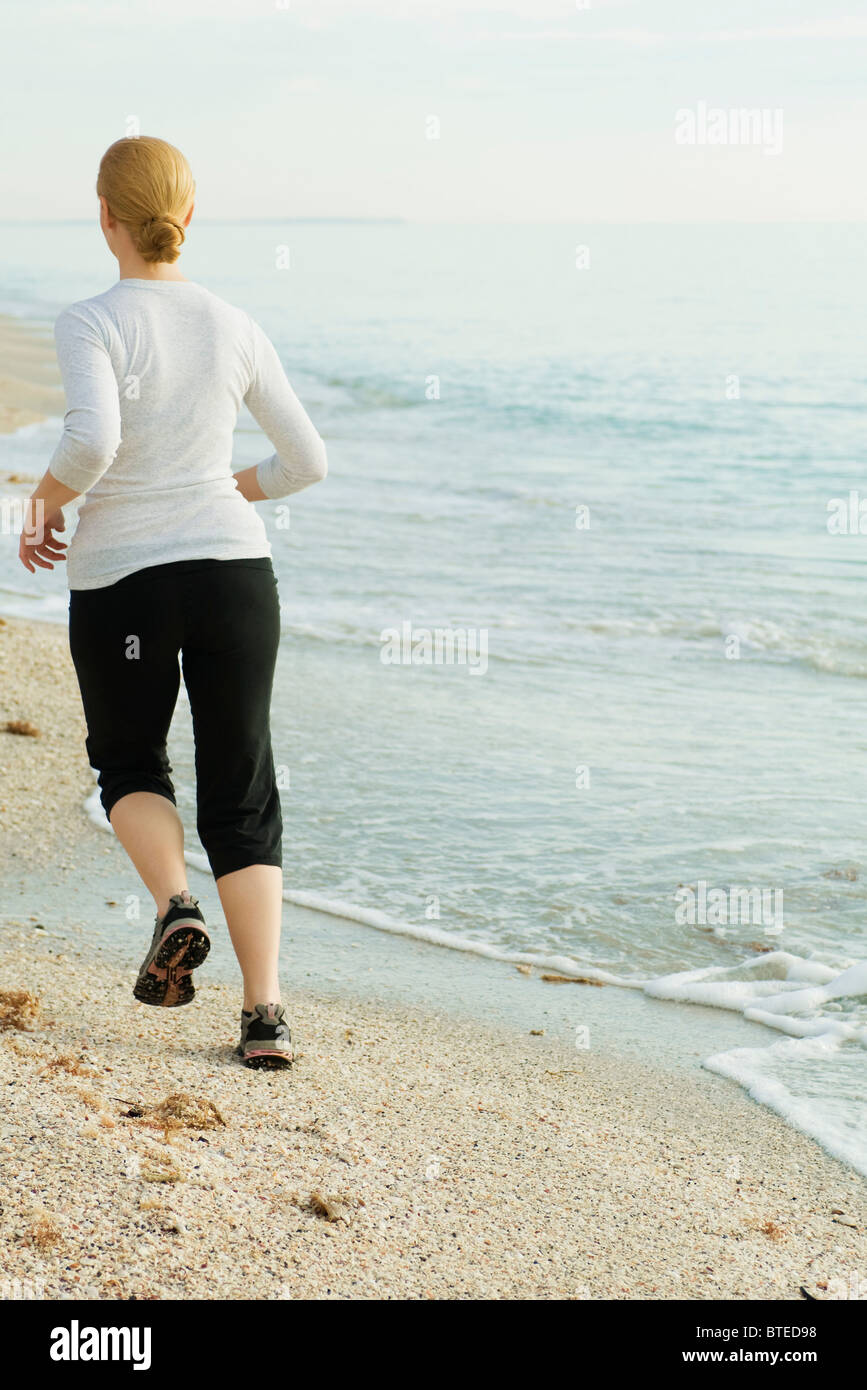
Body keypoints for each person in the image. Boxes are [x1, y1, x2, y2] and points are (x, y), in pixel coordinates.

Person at [18, 135, 328, 1068]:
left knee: (131, 763)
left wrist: (44, 501)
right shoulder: (234, 322)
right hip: (237, 577)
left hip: (126, 586)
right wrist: (232, 488)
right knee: (243, 790)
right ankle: (265, 1015)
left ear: (104, 216)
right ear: (188, 218)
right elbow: (308, 462)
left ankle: (174, 906)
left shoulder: (92, 319)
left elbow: (91, 440)